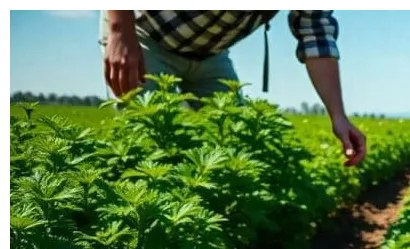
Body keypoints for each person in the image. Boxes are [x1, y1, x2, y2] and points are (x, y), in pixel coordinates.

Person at [99, 10, 366, 167]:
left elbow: (316, 34)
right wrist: (120, 31)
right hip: (143, 34)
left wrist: (338, 116)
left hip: (211, 54)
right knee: (147, 149)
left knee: (236, 147)